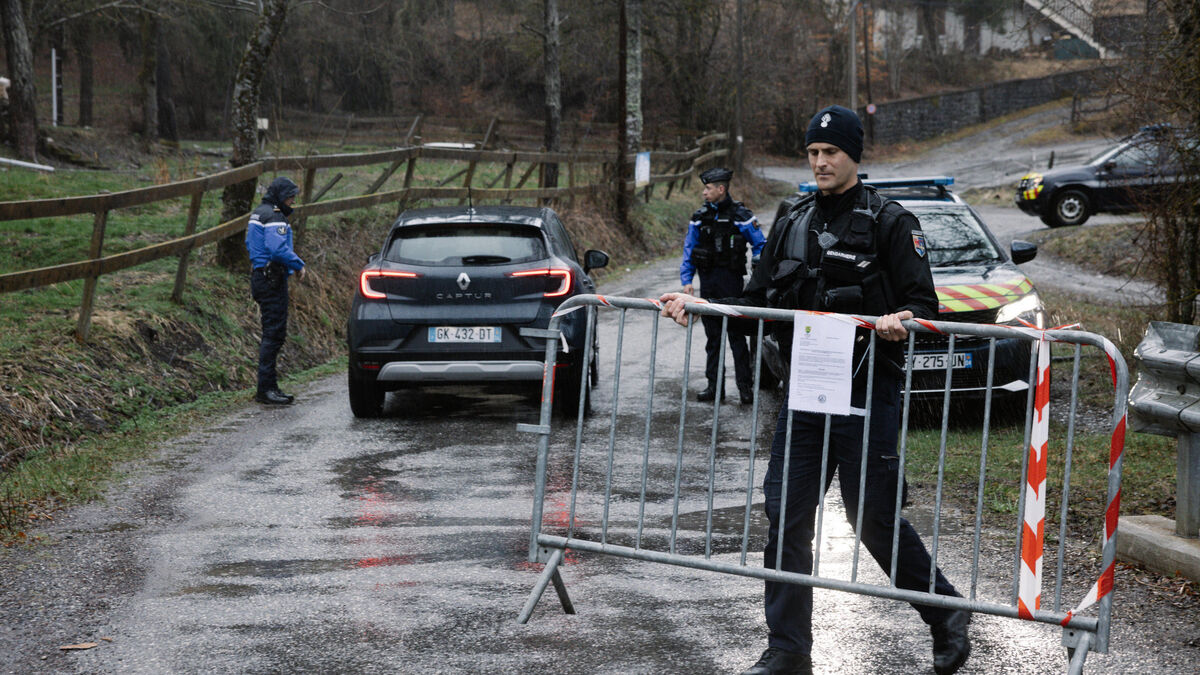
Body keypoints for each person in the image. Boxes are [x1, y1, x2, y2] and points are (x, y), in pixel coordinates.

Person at [660, 106, 970, 675]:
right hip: (805, 389)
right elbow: (756, 299)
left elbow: (927, 306)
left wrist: (904, 318)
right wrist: (700, 303)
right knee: (787, 515)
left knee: (874, 519)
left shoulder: (891, 221)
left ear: (854, 154)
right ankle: (787, 651)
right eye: (813, 153)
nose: (821, 161)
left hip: (867, 389)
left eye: (830, 152)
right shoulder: (793, 218)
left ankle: (945, 612)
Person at [679, 166, 766, 404]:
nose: (704, 193)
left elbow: (761, 246)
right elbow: (689, 250)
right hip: (708, 286)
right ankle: (714, 388)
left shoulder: (741, 216)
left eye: (708, 188)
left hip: (732, 285)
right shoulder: (699, 217)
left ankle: (745, 389)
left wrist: (759, 275)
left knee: (737, 338)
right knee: (713, 340)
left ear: (721, 189)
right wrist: (687, 281)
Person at [246, 176, 306, 405]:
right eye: (290, 196)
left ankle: (269, 386)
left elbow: (250, 244)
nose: (292, 201)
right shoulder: (274, 216)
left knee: (271, 333)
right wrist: (298, 264)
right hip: (271, 279)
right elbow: (277, 248)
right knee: (274, 334)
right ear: (281, 196)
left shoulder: (259, 212)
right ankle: (266, 389)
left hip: (260, 276)